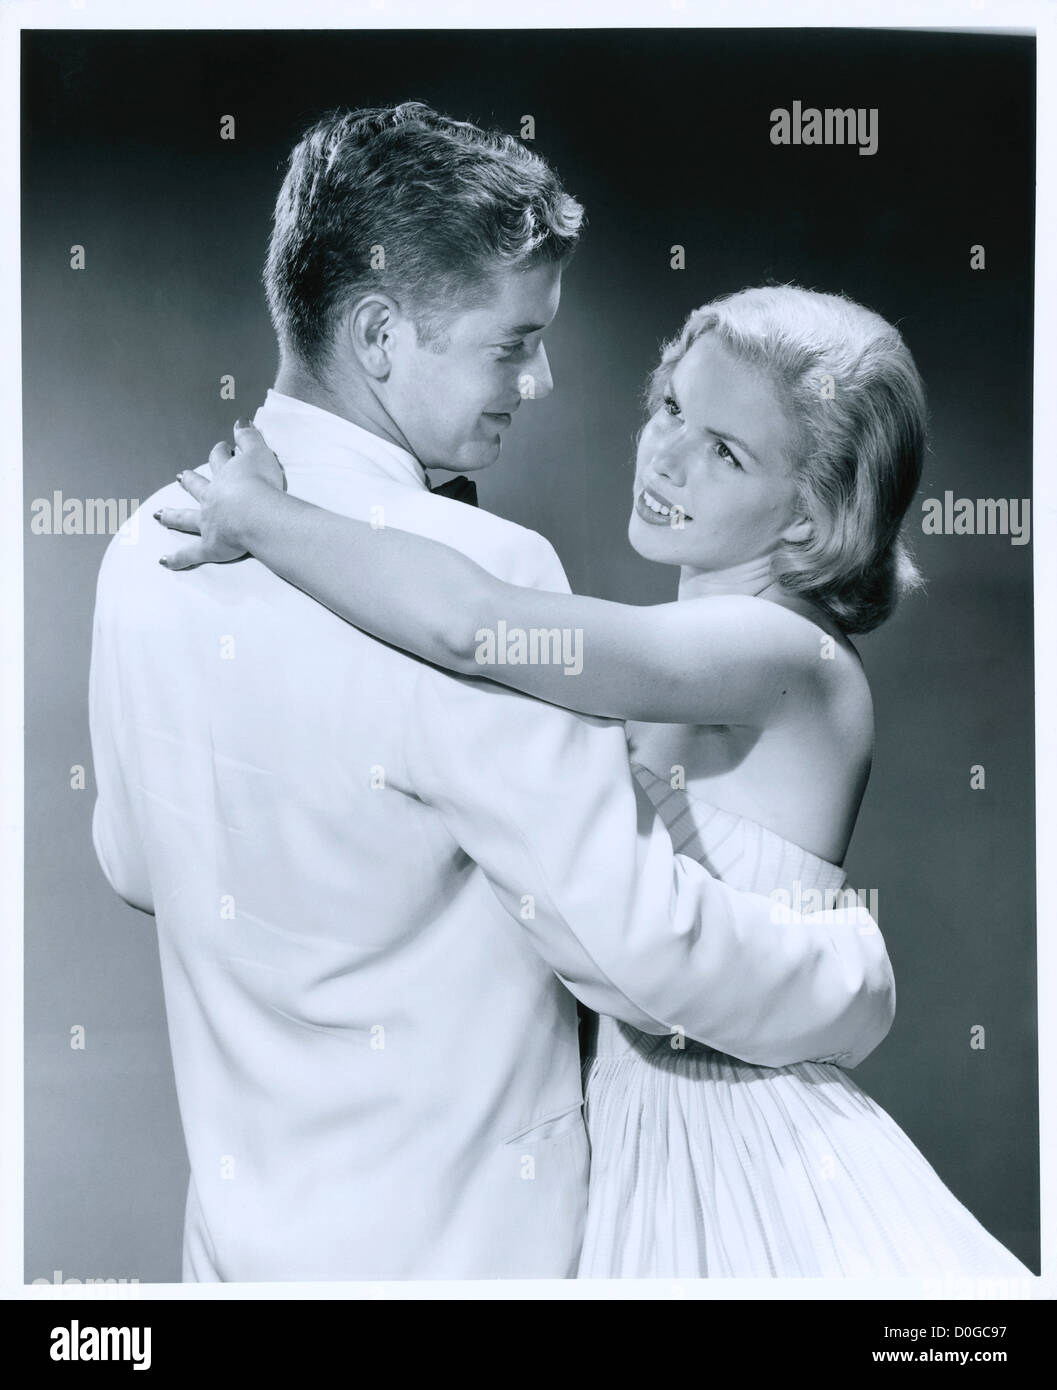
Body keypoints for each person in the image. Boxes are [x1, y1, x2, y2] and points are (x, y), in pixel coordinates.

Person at [89, 104, 894, 1283]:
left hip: (234, 1258)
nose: (543, 379)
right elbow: (637, 950)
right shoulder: (491, 576)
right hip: (470, 1262)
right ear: (377, 335)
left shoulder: (141, 543)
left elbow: (133, 859)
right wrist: (851, 978)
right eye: (510, 343)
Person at [158, 283, 1030, 1280]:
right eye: (671, 409)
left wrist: (271, 519)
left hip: (744, 1169)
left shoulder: (781, 653)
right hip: (633, 1148)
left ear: (806, 518)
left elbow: (471, 626)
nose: (668, 455)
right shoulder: (669, 653)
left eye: (725, 450)